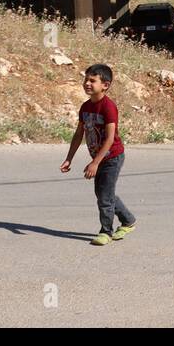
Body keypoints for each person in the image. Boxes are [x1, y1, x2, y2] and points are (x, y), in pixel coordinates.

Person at [60, 63, 137, 246]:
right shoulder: (85, 107)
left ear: (105, 85)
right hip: (99, 157)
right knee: (104, 193)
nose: (87, 83)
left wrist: (95, 162)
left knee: (104, 196)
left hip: (112, 157)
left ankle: (106, 232)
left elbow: (110, 139)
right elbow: (79, 134)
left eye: (92, 80)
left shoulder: (108, 107)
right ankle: (128, 220)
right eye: (86, 79)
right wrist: (69, 158)